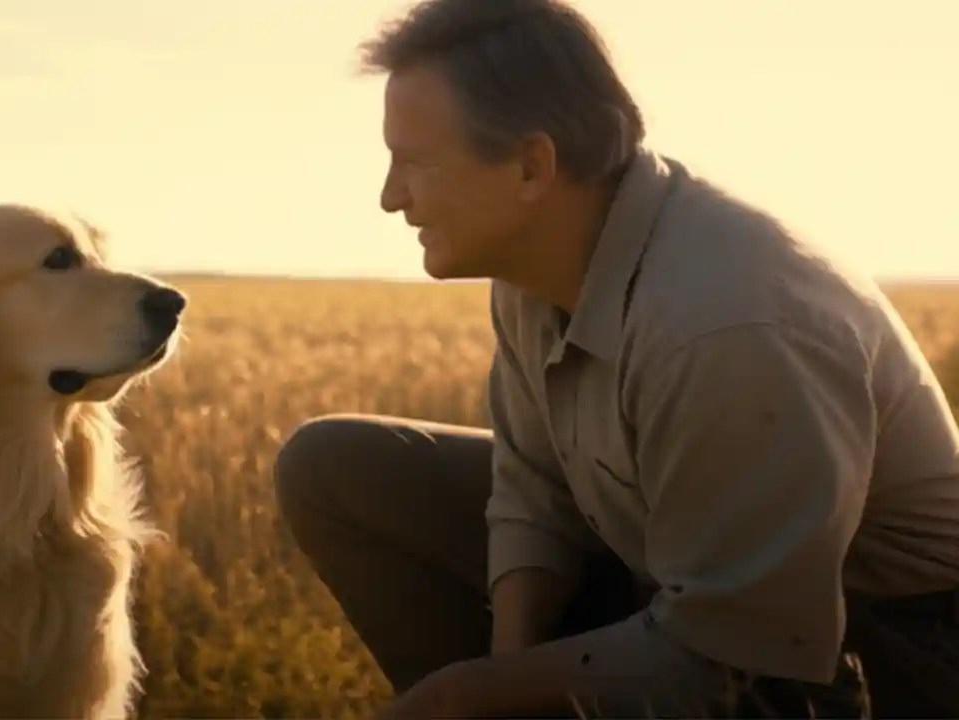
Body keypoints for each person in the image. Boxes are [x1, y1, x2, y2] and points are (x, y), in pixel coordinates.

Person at [272, 0, 959, 717]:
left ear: (532, 166)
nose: (390, 198)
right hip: (677, 580)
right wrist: (504, 673)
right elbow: (533, 489)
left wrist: (468, 691)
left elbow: (743, 651)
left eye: (414, 161)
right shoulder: (536, 267)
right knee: (336, 467)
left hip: (875, 645)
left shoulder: (725, 324)